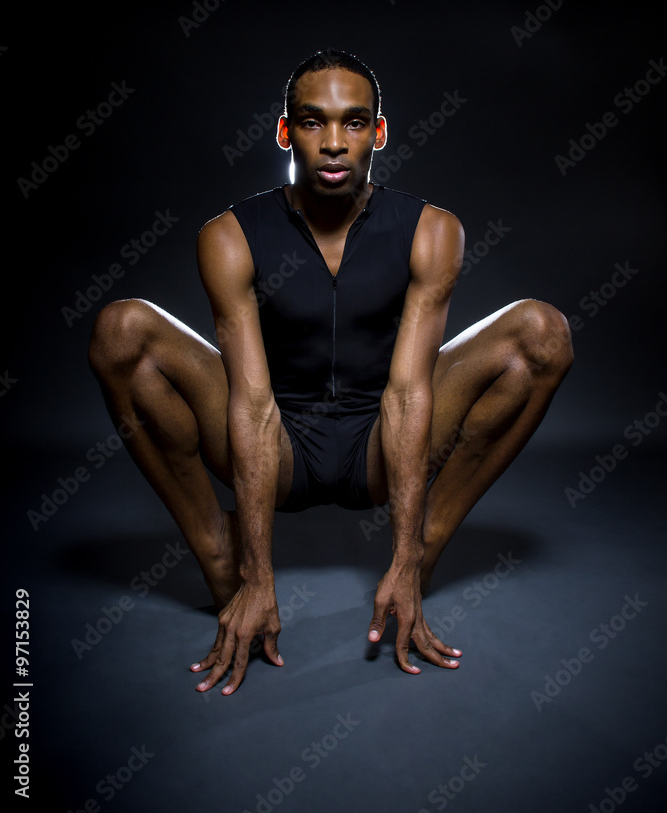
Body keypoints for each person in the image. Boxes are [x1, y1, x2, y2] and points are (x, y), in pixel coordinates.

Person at [88, 48, 573, 696]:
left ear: (379, 132)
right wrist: (257, 576)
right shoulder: (230, 235)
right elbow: (253, 403)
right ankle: (216, 556)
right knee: (122, 330)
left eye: (353, 123)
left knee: (540, 332)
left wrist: (402, 555)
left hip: (380, 441)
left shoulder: (432, 230)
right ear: (286, 132)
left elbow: (407, 391)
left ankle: (421, 553)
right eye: (313, 123)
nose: (335, 143)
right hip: (278, 443)